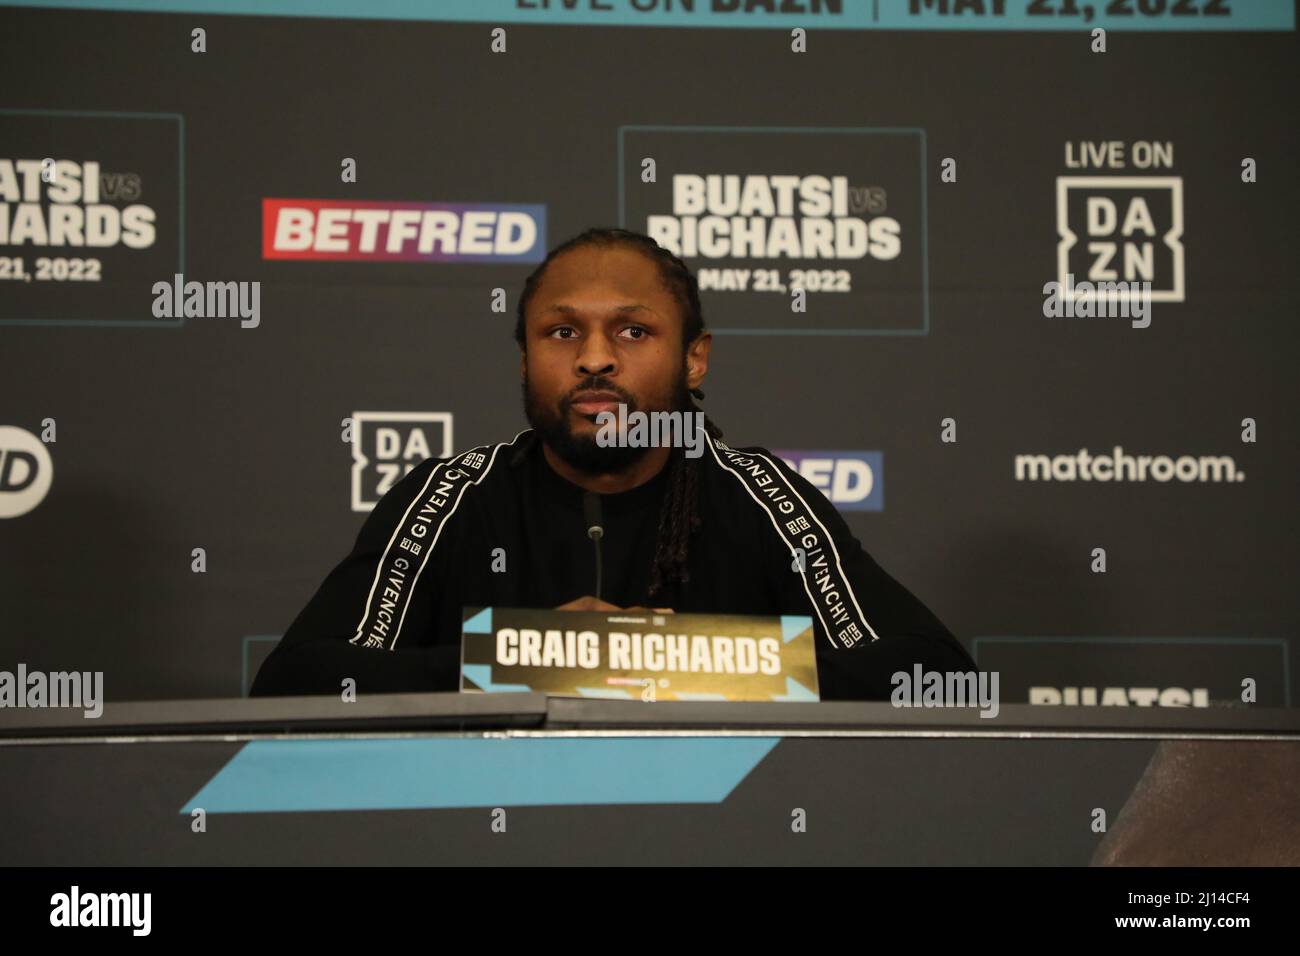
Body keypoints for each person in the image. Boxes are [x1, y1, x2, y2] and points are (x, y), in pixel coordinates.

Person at [251, 228, 973, 699]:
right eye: (563, 331)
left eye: (633, 330)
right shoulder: (447, 497)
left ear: (695, 357)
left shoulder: (761, 497)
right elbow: (294, 681)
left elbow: (934, 677)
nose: (595, 357)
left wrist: (676, 663)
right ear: (526, 358)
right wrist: (526, 658)